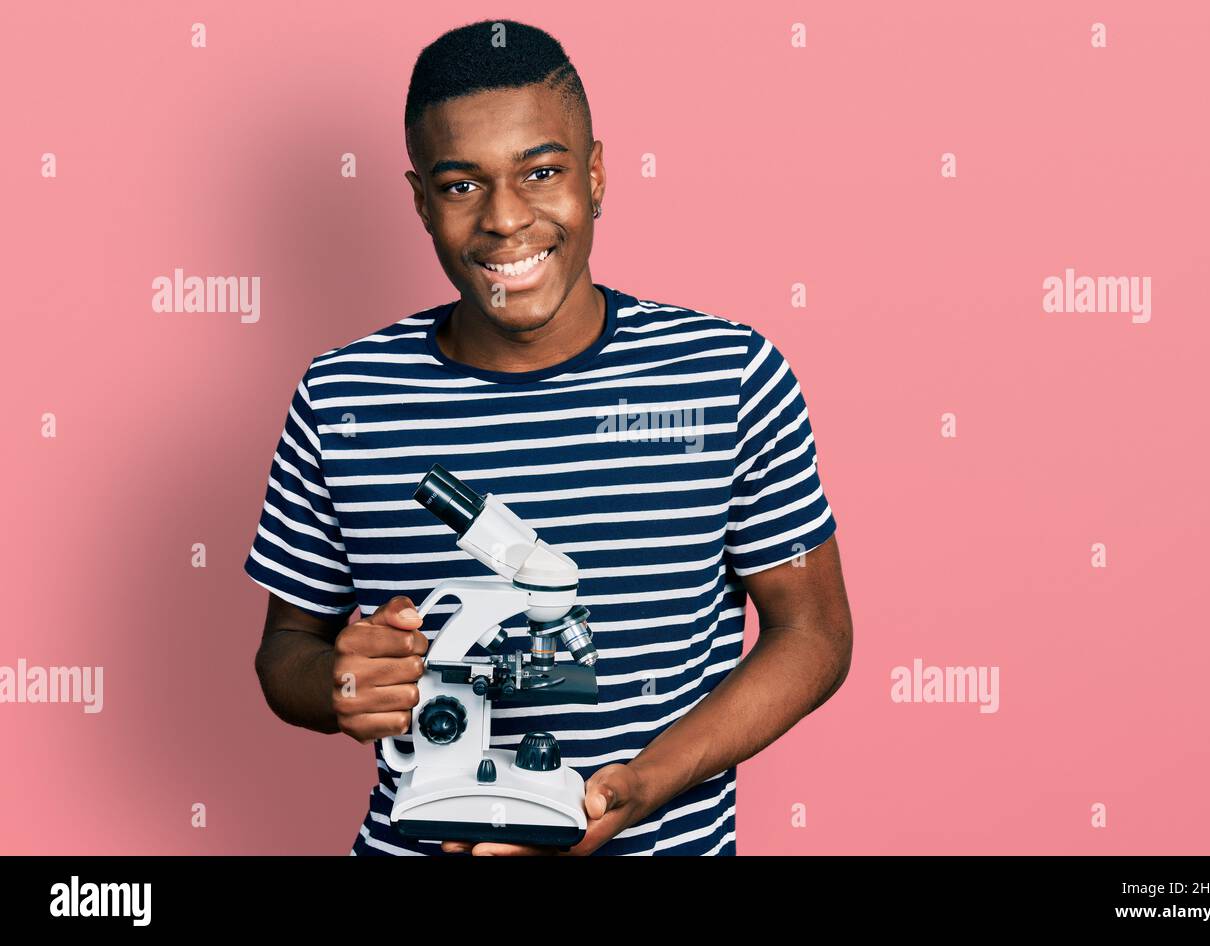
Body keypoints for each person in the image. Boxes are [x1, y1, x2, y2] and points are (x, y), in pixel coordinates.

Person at [245, 18, 852, 856]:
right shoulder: (343, 396)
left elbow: (814, 635)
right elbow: (288, 651)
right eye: (461, 186)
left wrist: (642, 786)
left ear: (595, 175)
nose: (505, 219)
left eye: (541, 172)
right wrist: (343, 681)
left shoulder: (729, 375)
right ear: (420, 200)